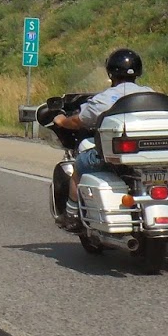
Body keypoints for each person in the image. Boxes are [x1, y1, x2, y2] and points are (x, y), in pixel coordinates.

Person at [52, 48, 146, 214]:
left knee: (80, 164)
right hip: (150, 154)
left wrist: (60, 120)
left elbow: (77, 121)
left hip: (118, 156)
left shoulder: (106, 99)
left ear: (111, 73)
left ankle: (71, 211)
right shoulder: (150, 93)